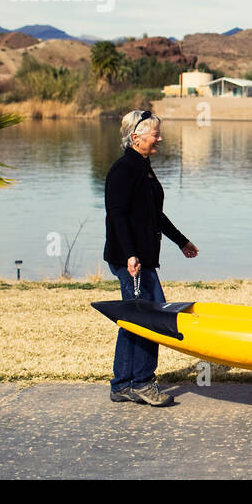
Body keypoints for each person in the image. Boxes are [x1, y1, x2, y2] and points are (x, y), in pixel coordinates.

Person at [103, 109, 198, 407]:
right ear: (136, 138)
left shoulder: (143, 166)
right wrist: (130, 254)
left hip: (141, 257)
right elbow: (116, 216)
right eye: (155, 134)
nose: (160, 138)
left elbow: (155, 215)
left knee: (134, 318)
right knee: (151, 319)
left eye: (158, 133)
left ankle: (122, 385)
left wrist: (181, 241)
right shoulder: (124, 169)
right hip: (130, 259)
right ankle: (142, 383)